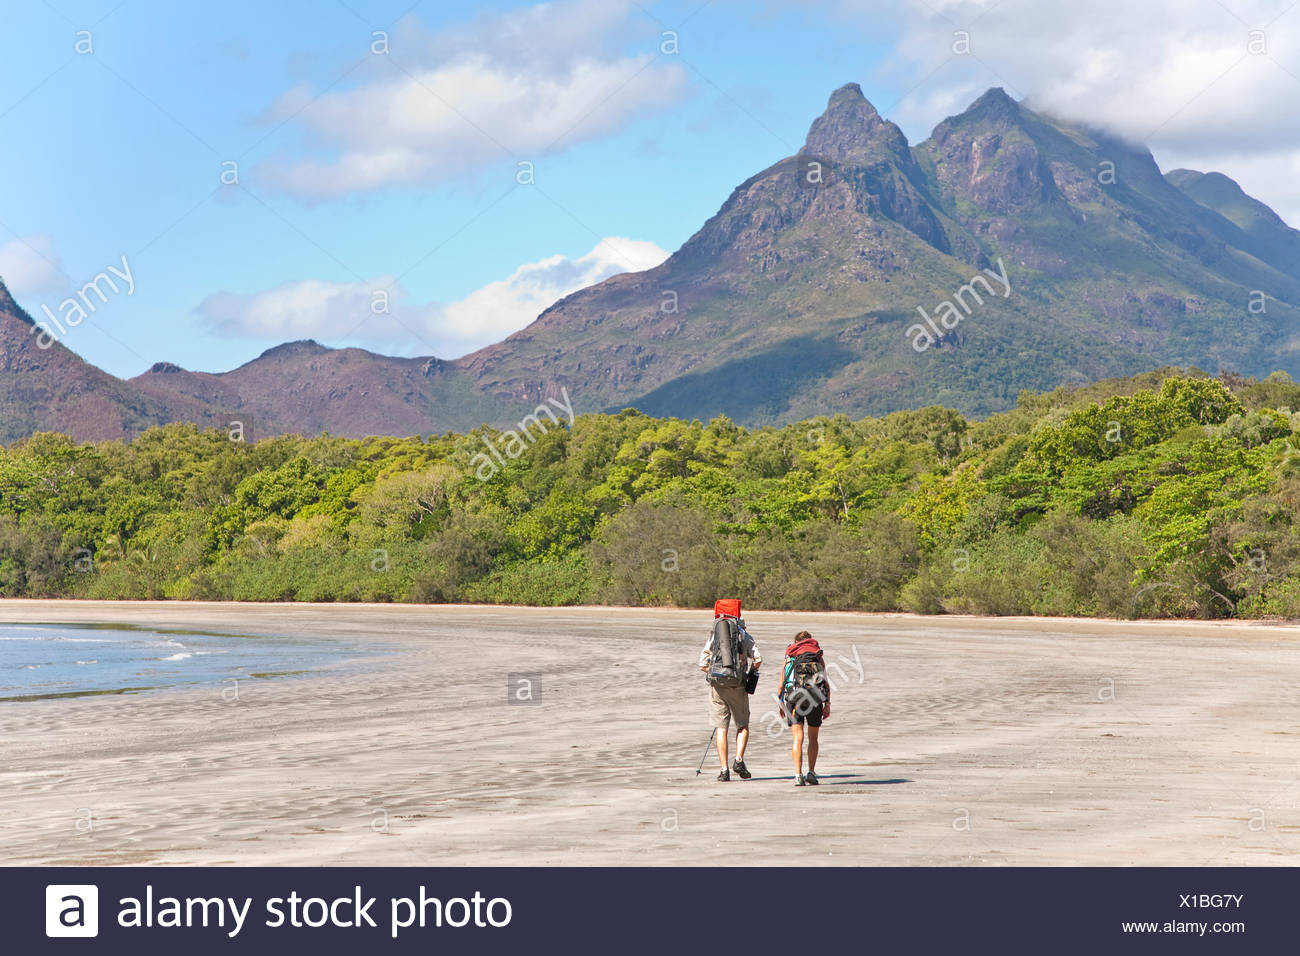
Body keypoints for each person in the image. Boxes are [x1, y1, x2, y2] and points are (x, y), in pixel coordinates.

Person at [698, 599, 761, 781]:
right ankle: (738, 759)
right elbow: (758, 659)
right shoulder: (743, 634)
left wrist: (714, 672)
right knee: (742, 725)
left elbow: (702, 664)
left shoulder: (714, 635)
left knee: (721, 728)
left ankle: (724, 770)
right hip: (738, 685)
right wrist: (749, 673)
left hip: (717, 686)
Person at [781, 631, 829, 786]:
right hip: (815, 699)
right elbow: (825, 683)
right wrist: (827, 704)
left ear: (796, 642)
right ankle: (811, 772)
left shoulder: (790, 657)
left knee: (797, 738)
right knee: (813, 738)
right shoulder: (818, 657)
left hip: (794, 699)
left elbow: (781, 684)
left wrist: (781, 704)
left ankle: (797, 775)